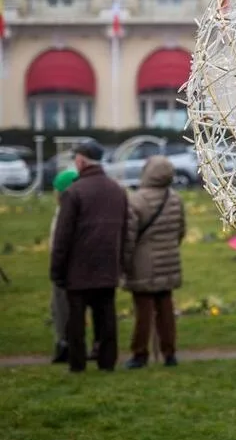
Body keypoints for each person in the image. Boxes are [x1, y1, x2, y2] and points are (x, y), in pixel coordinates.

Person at [49, 141, 131, 372]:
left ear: (81, 161)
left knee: (76, 320)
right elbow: (125, 231)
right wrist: (122, 263)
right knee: (106, 317)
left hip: (78, 268)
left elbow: (62, 236)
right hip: (108, 265)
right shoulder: (117, 190)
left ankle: (77, 363)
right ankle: (107, 361)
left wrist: (57, 270)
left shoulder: (73, 192)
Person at [123, 156, 186, 369]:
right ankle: (170, 353)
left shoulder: (136, 200)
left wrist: (124, 262)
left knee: (143, 312)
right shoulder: (175, 198)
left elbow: (129, 237)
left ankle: (140, 353)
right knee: (166, 310)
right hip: (169, 261)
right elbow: (180, 231)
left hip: (142, 263)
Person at [49, 169, 79, 364]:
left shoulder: (65, 213)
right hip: (71, 265)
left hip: (66, 267)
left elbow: (59, 244)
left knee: (62, 307)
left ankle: (66, 344)